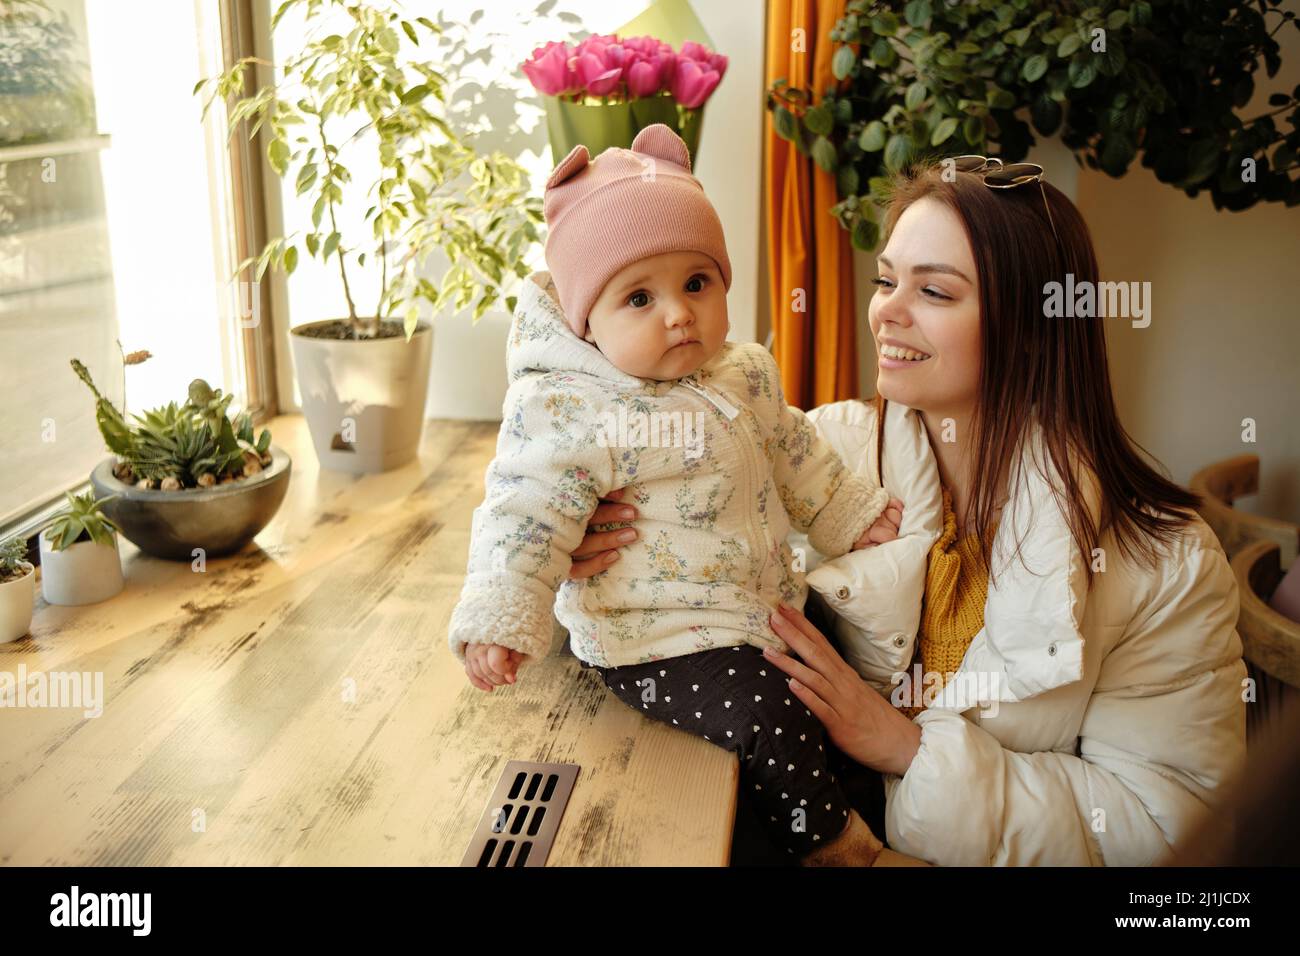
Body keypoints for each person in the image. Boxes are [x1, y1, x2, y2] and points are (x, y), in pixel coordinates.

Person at [570, 156, 1249, 865]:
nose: (887, 311)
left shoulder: (1166, 563)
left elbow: (1172, 832)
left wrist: (910, 750)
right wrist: (600, 549)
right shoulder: (805, 456)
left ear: (1031, 326)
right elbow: (651, 631)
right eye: (886, 280)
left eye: (935, 292)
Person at [446, 124, 904, 864]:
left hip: (759, 604)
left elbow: (793, 448)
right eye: (638, 297)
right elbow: (522, 513)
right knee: (770, 717)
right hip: (654, 639)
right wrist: (503, 613)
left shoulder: (743, 372)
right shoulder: (573, 410)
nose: (679, 313)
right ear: (584, 323)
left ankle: (872, 808)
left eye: (697, 283)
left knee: (838, 670)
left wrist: (848, 511)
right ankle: (839, 848)